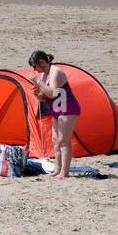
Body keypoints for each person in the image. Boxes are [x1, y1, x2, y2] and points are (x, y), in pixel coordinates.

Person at [28, 50, 80, 180]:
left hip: (68, 108)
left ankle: (64, 171)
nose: (34, 70)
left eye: (35, 66)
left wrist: (39, 83)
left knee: (63, 141)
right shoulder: (44, 75)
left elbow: (54, 93)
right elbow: (44, 98)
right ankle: (57, 169)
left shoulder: (55, 71)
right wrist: (37, 93)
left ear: (41, 62)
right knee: (55, 141)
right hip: (57, 109)